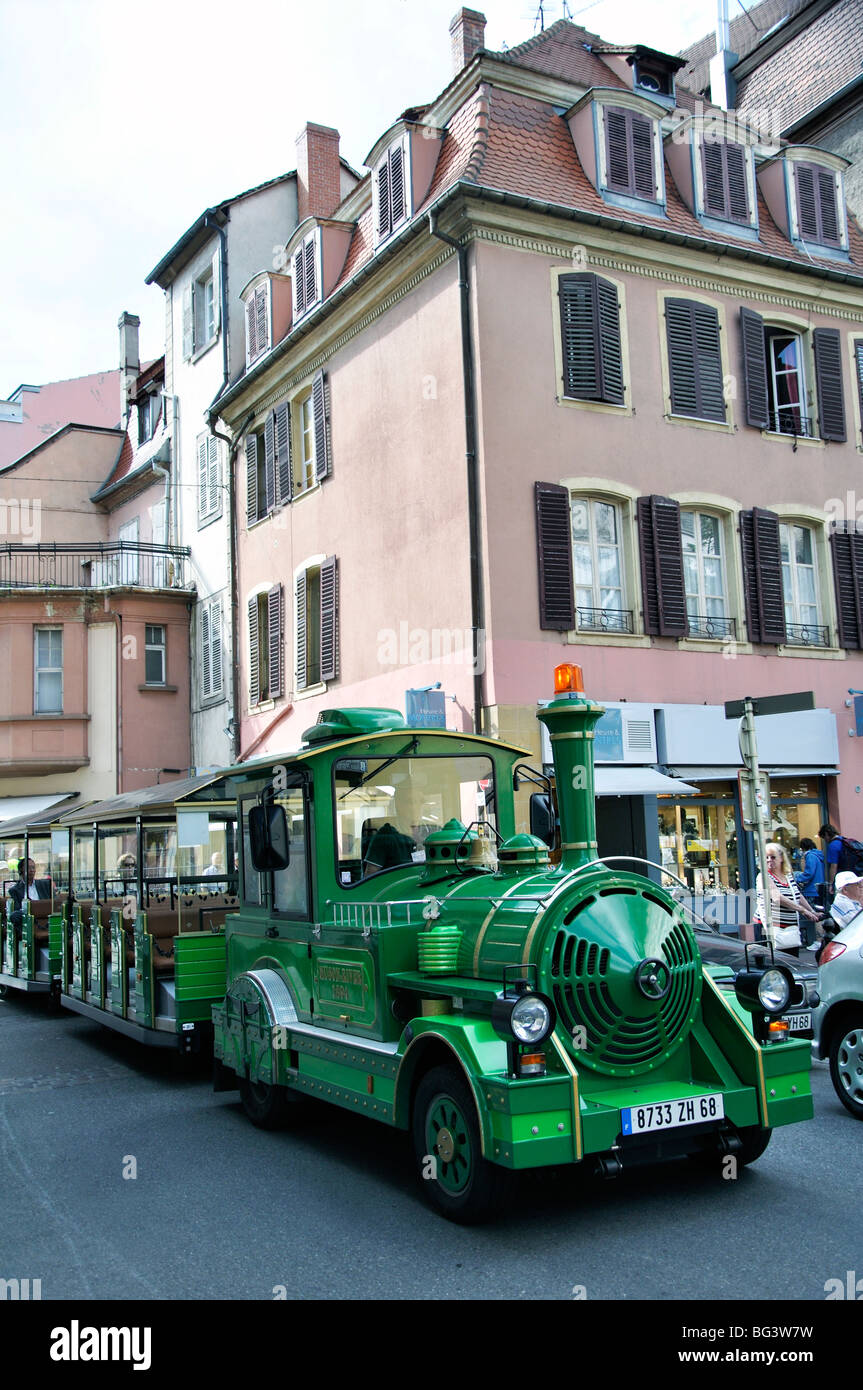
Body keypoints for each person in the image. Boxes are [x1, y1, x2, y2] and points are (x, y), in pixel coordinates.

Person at [754, 842, 820, 957]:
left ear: (781, 858)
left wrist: (811, 911)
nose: (769, 860)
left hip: (789, 927)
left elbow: (797, 894)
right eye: (766, 857)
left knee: (792, 961)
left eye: (773, 857)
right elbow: (776, 897)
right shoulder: (763, 877)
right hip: (770, 927)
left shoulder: (788, 875)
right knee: (775, 963)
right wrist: (803, 911)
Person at [795, 837, 825, 911]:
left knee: (810, 915)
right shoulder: (818, 855)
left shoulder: (810, 856)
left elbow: (809, 873)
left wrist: (796, 878)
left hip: (811, 890)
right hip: (818, 889)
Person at [819, 823, 842, 895]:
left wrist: (831, 884)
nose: (825, 840)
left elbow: (833, 866)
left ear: (826, 834)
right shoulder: (843, 840)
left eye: (824, 837)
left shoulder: (833, 845)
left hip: (840, 880)